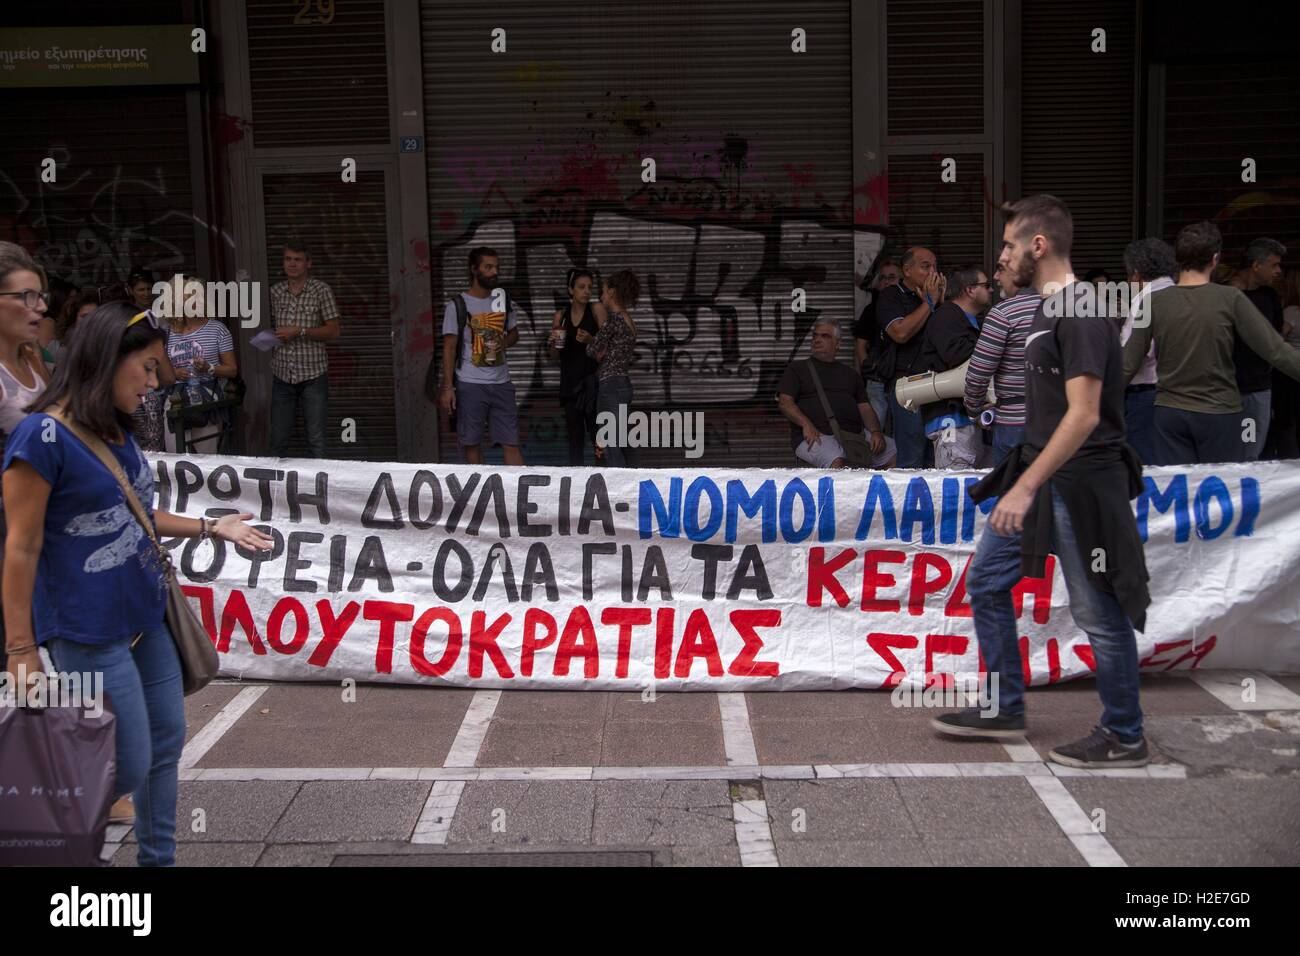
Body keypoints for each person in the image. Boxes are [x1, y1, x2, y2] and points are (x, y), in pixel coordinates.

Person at [1, 301, 273, 866]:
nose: (154, 385)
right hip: (87, 630)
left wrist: (211, 526)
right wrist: (21, 649)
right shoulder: (39, 438)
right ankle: (58, 849)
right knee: (123, 763)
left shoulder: (115, 431)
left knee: (166, 744)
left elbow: (137, 515)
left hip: (148, 619)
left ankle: (158, 864)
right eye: (147, 369)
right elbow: (21, 547)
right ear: (106, 360)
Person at [933, 194, 1153, 769]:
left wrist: (1026, 485)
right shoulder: (1042, 310)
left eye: (1008, 244)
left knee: (1097, 612)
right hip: (1041, 474)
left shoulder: (1080, 306)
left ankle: (1125, 733)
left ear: (1039, 245)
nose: (1000, 255)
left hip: (1080, 483)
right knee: (985, 581)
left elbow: (1083, 413)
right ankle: (1004, 706)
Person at [1123, 223, 1300, 466]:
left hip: (1169, 415)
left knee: (1181, 495)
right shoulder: (1229, 298)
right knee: (1223, 494)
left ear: (1178, 259)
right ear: (1215, 259)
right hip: (1219, 414)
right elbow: (1275, 351)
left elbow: (1126, 365)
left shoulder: (1152, 302)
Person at [0, 242, 53, 677]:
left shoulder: (33, 357)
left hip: (41, 522)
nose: (39, 307)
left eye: (40, 296)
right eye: (26, 297)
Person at [438, 247, 523, 465]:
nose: (494, 271)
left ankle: (518, 496)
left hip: (502, 382)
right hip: (470, 383)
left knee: (511, 443)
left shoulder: (502, 301)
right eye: (488, 267)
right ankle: (481, 498)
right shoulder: (458, 305)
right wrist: (448, 388)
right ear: (474, 269)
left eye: (496, 267)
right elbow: (449, 347)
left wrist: (504, 342)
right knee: (471, 444)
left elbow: (514, 334)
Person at [777, 319, 896, 469]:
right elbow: (785, 403)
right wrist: (806, 424)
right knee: (836, 459)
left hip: (853, 436)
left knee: (894, 451)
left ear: (837, 344)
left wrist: (875, 432)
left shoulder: (851, 374)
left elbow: (865, 407)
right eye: (815, 336)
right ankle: (842, 493)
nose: (817, 340)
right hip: (816, 435)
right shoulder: (797, 369)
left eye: (825, 336)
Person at [269, 240, 340, 459]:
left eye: (298, 260)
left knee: (315, 439)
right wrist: (271, 337)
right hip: (282, 374)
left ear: (308, 263)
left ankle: (318, 489)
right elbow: (274, 328)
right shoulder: (275, 291)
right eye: (288, 259)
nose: (292, 264)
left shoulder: (321, 290)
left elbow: (334, 331)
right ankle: (274, 489)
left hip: (313, 374)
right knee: (278, 438)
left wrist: (299, 331)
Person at [915, 265, 991, 469]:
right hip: (952, 420)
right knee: (956, 489)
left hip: (969, 421)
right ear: (970, 289)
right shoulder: (945, 317)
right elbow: (959, 357)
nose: (991, 290)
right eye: (987, 285)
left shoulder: (969, 321)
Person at [964, 262, 1040, 465]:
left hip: (1014, 426)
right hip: (1060, 422)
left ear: (1019, 274)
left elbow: (978, 374)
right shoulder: (1066, 310)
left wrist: (974, 410)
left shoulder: (1003, 314)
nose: (996, 277)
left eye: (1001, 270)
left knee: (1011, 492)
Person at [877, 246, 945, 468]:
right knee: (911, 456)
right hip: (907, 383)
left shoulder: (938, 297)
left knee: (936, 457)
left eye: (935, 266)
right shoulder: (891, 296)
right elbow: (900, 333)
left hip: (938, 383)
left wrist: (940, 303)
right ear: (907, 270)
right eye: (926, 266)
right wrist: (929, 303)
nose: (932, 272)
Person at [1117, 238, 1178, 464]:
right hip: (1176, 395)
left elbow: (1136, 355)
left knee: (1145, 464)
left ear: (1136, 273)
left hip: (1144, 395)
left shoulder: (1144, 300)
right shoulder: (1179, 295)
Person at [162, 275, 238, 455]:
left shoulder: (218, 329)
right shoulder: (167, 332)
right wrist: (174, 372)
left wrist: (208, 368)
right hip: (175, 400)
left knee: (207, 458)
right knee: (176, 457)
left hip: (206, 399)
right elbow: (158, 369)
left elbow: (232, 370)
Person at [1228, 238, 1286, 460]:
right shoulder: (1225, 294)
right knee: (1223, 454)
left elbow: (1277, 339)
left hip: (1256, 390)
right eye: (1274, 265)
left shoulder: (1269, 297)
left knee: (1248, 451)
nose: (1278, 271)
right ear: (1256, 265)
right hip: (1225, 391)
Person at [549, 268, 605, 465]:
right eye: (581, 287)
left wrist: (591, 339)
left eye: (590, 287)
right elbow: (555, 355)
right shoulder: (561, 316)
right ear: (570, 290)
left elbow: (608, 348)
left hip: (592, 384)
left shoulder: (596, 310)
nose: (587, 291)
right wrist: (554, 342)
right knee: (575, 438)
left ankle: (604, 472)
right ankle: (578, 483)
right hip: (570, 385)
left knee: (598, 436)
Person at [585, 270, 641, 467]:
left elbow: (592, 350)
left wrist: (593, 344)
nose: (601, 297)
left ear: (612, 292)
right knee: (620, 439)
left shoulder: (614, 321)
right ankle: (628, 479)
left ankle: (618, 484)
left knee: (608, 440)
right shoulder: (628, 321)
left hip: (610, 385)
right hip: (623, 384)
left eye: (603, 291)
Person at [853, 257, 902, 432]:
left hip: (903, 378)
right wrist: (867, 367)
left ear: (902, 280)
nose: (887, 282)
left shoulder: (910, 306)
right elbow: (860, 345)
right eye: (882, 278)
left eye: (892, 277)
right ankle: (871, 460)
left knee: (903, 431)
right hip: (878, 378)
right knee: (874, 429)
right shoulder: (871, 310)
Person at [1276, 268, 1300, 458]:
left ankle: (1290, 462)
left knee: (1287, 420)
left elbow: (1277, 339)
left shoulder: (1291, 312)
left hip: (1291, 371)